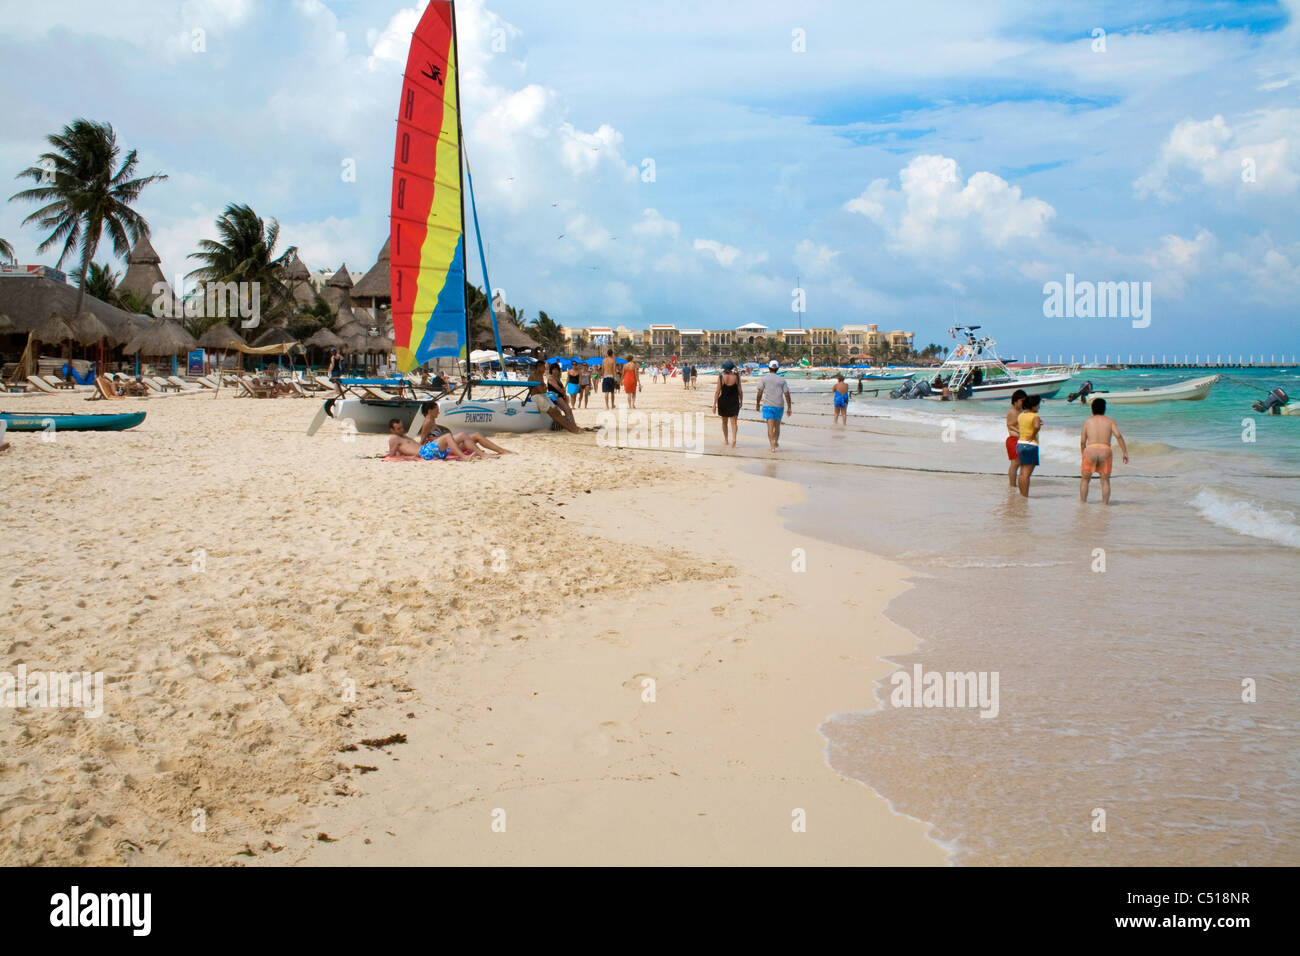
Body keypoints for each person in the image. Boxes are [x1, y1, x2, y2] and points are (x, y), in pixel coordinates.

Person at [1079, 397, 1129, 505]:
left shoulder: (1088, 422)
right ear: (1104, 409)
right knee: (1105, 481)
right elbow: (1118, 436)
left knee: (1085, 480)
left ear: (1092, 409)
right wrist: (1124, 452)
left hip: (1090, 450)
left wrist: (1083, 453)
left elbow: (1083, 441)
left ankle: (1083, 504)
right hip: (1105, 451)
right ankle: (1105, 505)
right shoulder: (1110, 421)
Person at [419, 402, 514, 457]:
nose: (438, 412)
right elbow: (422, 440)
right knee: (463, 435)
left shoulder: (432, 421)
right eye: (436, 410)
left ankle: (501, 450)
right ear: (429, 411)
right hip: (440, 448)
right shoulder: (427, 422)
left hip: (447, 446)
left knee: (476, 435)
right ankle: (483, 455)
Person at [386, 417, 471, 461]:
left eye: (402, 427)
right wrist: (409, 458)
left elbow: (400, 452)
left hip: (426, 449)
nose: (402, 430)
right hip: (424, 453)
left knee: (461, 435)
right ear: (392, 430)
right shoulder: (394, 438)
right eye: (398, 429)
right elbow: (392, 456)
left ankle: (482, 455)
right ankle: (464, 457)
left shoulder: (403, 436)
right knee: (447, 436)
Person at [755, 359, 792, 453]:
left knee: (770, 427)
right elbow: (787, 394)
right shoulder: (782, 380)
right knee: (777, 426)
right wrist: (789, 407)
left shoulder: (764, 379)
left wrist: (757, 404)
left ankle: (772, 446)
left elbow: (759, 392)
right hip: (779, 405)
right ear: (778, 369)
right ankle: (776, 441)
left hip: (768, 405)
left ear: (769, 368)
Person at [1016, 394, 1043, 497]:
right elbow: (1036, 426)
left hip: (1020, 444)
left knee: (1022, 473)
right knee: (1027, 475)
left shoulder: (1021, 415)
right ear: (1033, 405)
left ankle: (1022, 495)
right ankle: (1025, 496)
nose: (1039, 407)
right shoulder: (1035, 416)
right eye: (1038, 405)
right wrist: (1033, 434)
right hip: (1031, 445)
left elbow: (1024, 426)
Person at [713, 359, 743, 448]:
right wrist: (741, 400)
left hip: (723, 401)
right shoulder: (737, 377)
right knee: (734, 422)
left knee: (724, 422)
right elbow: (740, 390)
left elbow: (717, 392)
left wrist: (714, 404)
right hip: (734, 401)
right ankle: (734, 439)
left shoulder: (721, 377)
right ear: (731, 368)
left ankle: (726, 440)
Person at [1005, 389, 1027, 489]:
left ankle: (1014, 484)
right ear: (1016, 401)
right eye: (1022, 401)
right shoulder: (1012, 412)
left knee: (1019, 463)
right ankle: (1012, 485)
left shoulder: (1020, 411)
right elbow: (1009, 425)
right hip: (1013, 440)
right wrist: (1020, 432)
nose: (1024, 403)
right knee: (1015, 463)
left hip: (1019, 440)